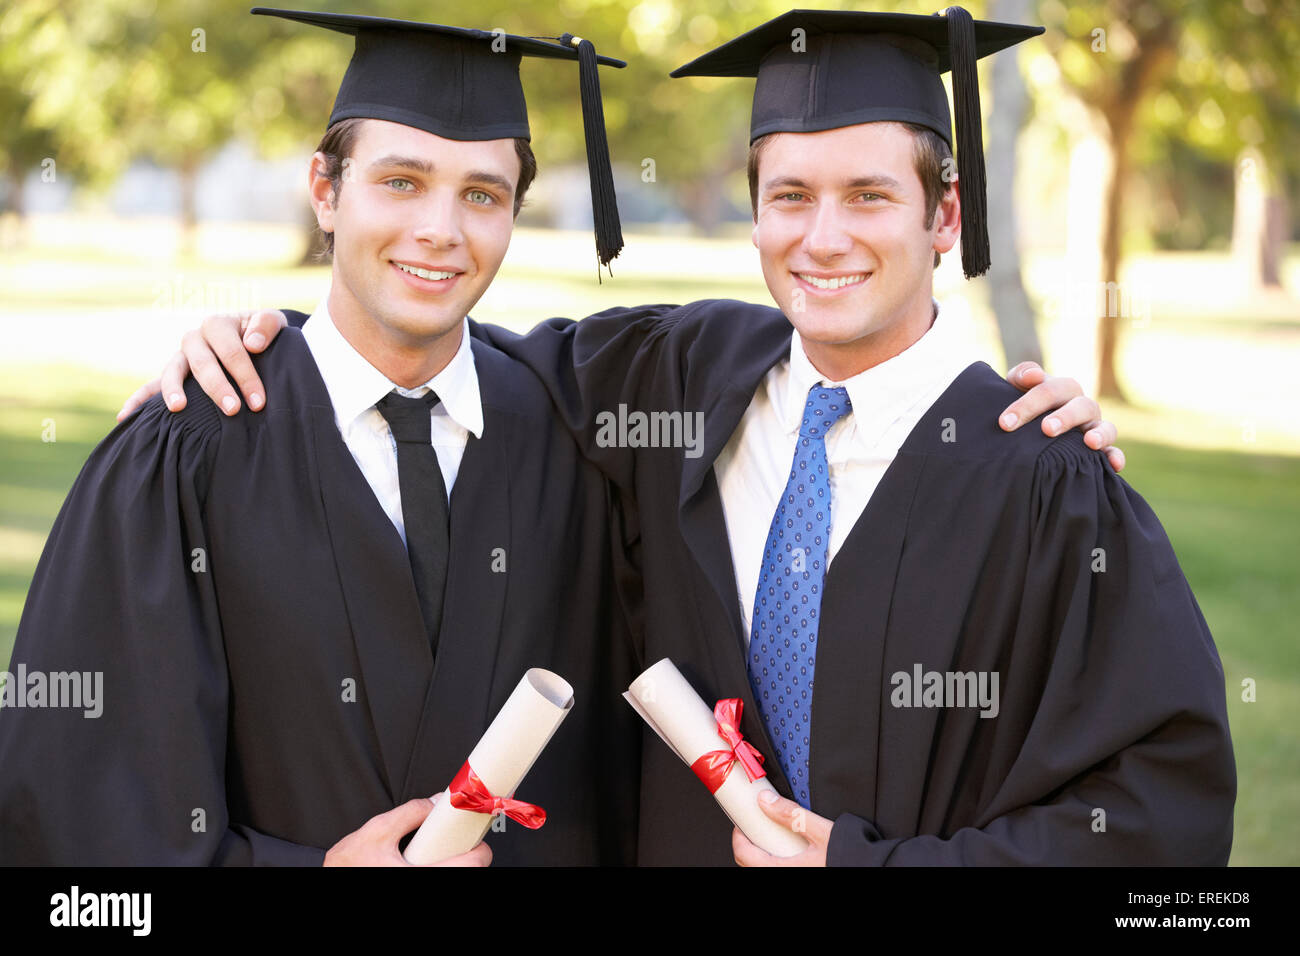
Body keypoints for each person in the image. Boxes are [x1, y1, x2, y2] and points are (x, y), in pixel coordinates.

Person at [117, 10, 1157, 866]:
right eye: (788, 195)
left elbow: (1150, 824)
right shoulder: (680, 385)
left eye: (869, 196)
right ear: (753, 214)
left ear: (944, 216)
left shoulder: (1046, 480)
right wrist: (266, 347)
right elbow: (419, 351)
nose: (823, 236)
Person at [0, 9, 641, 866]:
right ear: (325, 191)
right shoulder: (187, 453)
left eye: (482, 194)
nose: (441, 231)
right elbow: (82, 826)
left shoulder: (579, 448)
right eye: (402, 182)